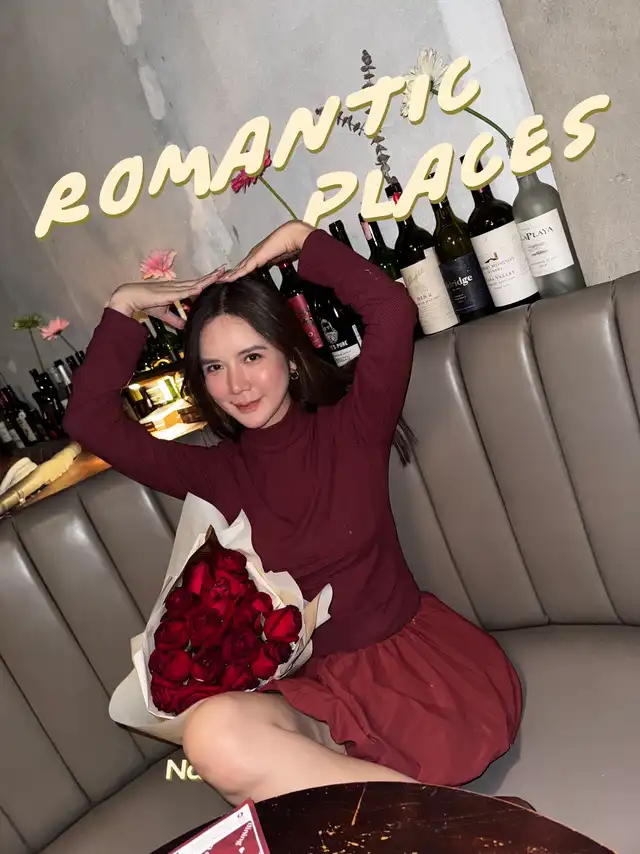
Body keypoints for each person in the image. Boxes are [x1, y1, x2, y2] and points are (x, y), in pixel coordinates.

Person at [64, 220, 522, 806]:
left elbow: (391, 309)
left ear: (289, 351)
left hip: (411, 677)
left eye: (252, 356)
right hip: (313, 697)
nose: (236, 384)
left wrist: (300, 241)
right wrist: (124, 306)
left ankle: (456, 825)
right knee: (210, 736)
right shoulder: (216, 474)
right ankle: (444, 821)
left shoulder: (352, 428)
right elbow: (88, 421)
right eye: (214, 367)